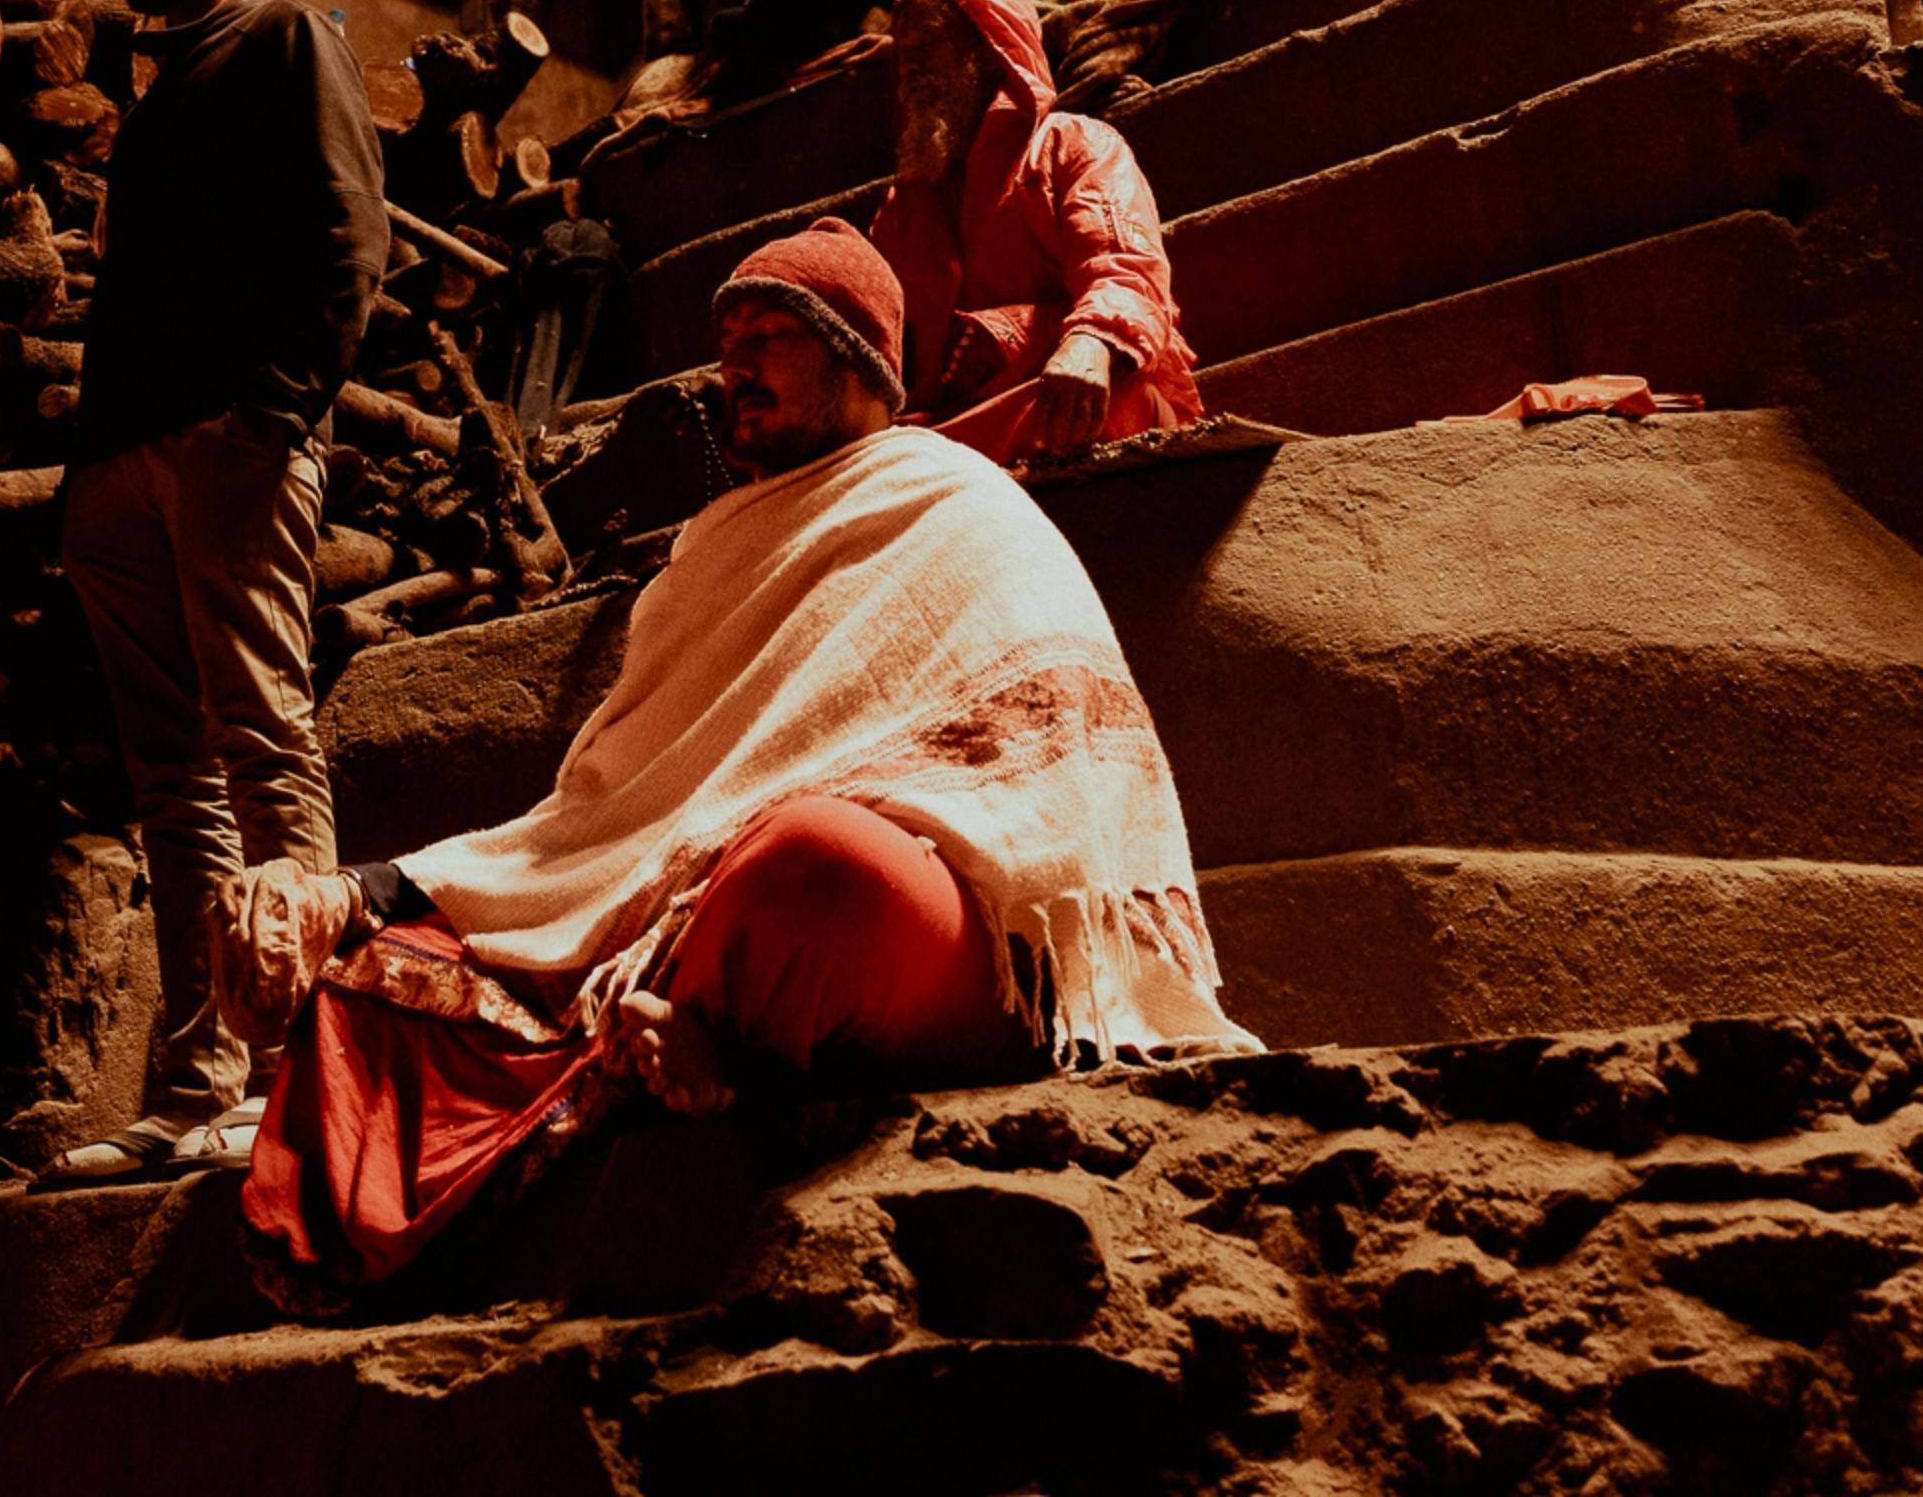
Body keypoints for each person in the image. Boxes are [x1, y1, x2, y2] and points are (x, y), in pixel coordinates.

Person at [209, 220, 1247, 1306]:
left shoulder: (956, 499)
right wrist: (367, 897)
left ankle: (706, 1042)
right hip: (691, 927)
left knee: (812, 862)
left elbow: (1057, 771)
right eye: (727, 339)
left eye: (768, 333)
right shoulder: (711, 549)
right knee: (374, 980)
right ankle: (683, 1046)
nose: (733, 365)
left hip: (927, 939)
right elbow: (598, 820)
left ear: (856, 354)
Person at [47, 0, 391, 1184]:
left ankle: (296, 1069)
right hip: (124, 464)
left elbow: (350, 233)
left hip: (227, 447)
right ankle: (197, 1086)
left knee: (259, 741)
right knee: (171, 781)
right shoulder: (158, 86)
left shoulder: (289, 37)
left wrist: (274, 413)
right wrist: (87, 479)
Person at [873, 0, 1201, 466]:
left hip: (1073, 388)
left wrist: (1090, 341)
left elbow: (1126, 267)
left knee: (1110, 406)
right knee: (880, 455)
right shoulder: (903, 207)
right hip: (955, 428)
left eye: (929, 43)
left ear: (989, 48)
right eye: (903, 53)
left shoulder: (1076, 143)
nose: (909, 68)